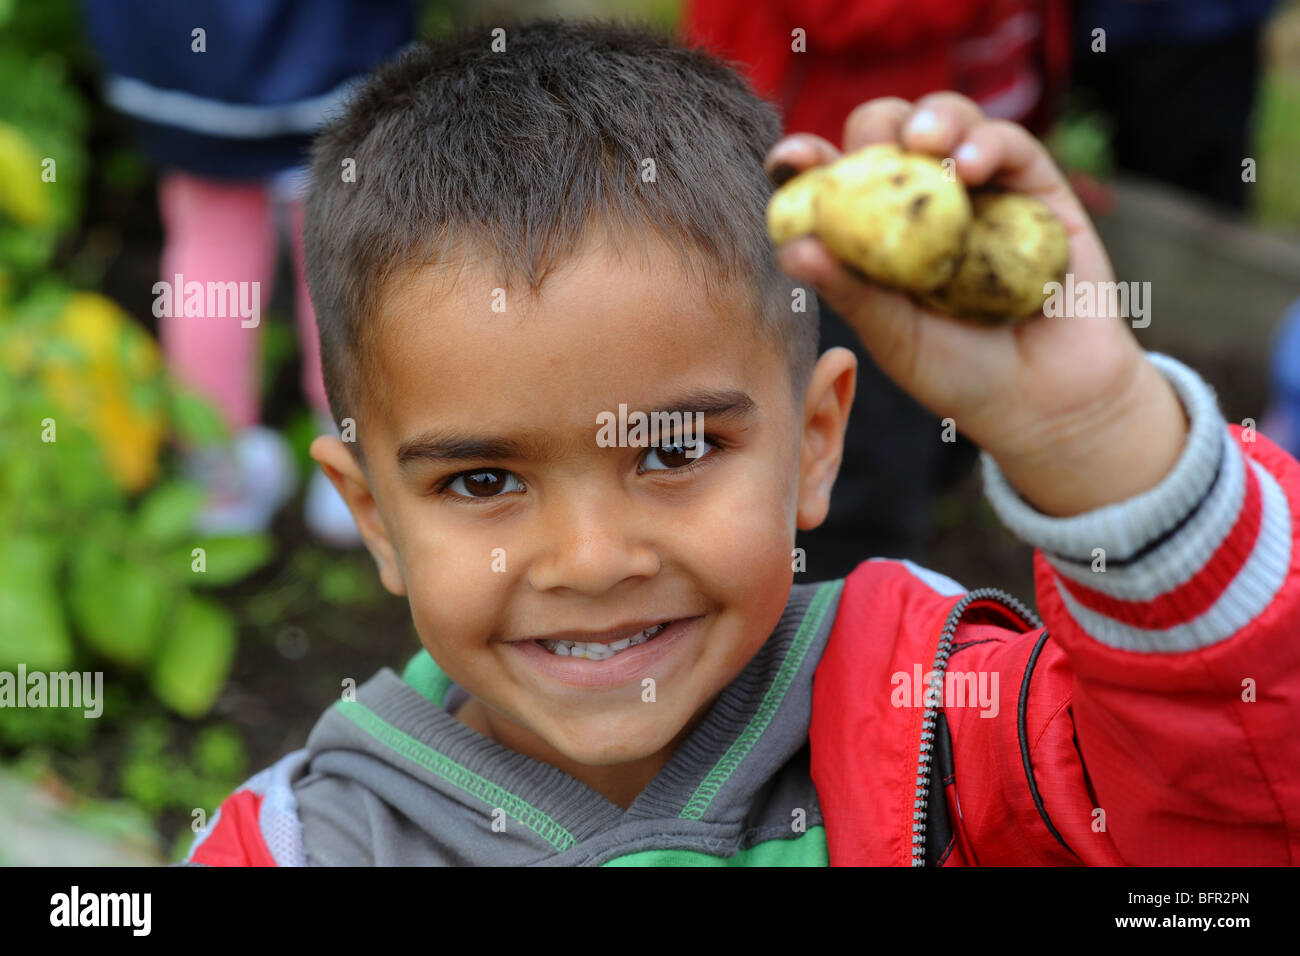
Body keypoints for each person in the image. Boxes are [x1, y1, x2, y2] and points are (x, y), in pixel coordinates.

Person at [185, 21, 1300, 866]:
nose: (592, 556)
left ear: (817, 442)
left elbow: (1230, 802)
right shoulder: (297, 848)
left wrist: (1092, 432)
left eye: (671, 453)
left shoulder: (936, 726)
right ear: (374, 513)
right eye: (483, 478)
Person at [683, 0, 1072, 575]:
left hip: (952, 204)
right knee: (859, 450)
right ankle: (839, 605)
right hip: (830, 195)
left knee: (927, 425)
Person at [82, 0, 413, 543]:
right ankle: (352, 474)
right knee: (338, 238)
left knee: (211, 244)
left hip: (185, 62)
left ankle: (218, 483)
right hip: (329, 47)